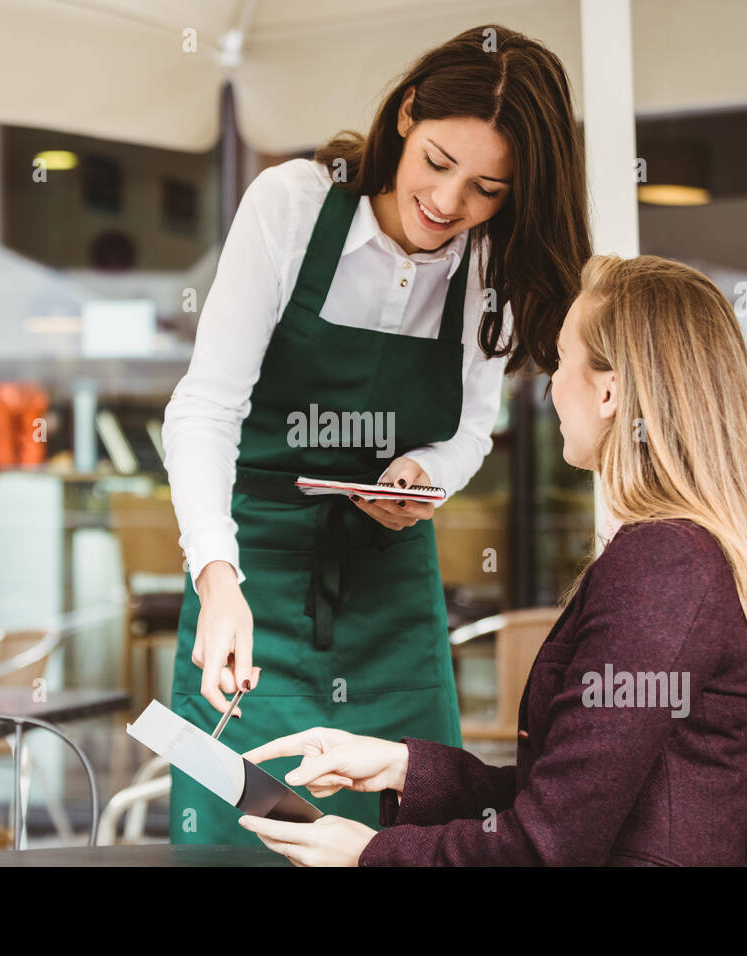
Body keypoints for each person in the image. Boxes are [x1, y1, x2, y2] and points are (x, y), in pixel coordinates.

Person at [160, 23, 591, 845]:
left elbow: (470, 430)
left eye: (487, 189)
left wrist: (421, 475)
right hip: (248, 583)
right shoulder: (292, 205)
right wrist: (216, 578)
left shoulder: (490, 265)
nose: (449, 203)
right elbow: (206, 408)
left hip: (391, 596)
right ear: (404, 117)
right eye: (437, 162)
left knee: (413, 836)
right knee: (234, 833)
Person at [238, 254, 747, 865]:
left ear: (610, 390)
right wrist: (402, 767)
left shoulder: (664, 567)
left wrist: (369, 855)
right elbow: (565, 800)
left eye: (562, 360)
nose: (551, 384)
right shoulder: (680, 554)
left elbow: (547, 845)